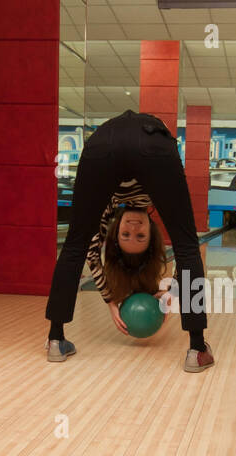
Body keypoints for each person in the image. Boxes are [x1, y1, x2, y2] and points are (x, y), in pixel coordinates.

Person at [45, 109, 213, 372]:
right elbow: (187, 252)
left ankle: (56, 338)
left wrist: (111, 300)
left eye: (126, 235)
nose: (133, 227)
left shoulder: (110, 207)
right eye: (139, 236)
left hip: (102, 142)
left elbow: (90, 250)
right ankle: (198, 347)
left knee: (74, 244)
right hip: (151, 142)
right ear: (152, 234)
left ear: (116, 230)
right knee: (187, 245)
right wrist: (172, 291)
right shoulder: (141, 201)